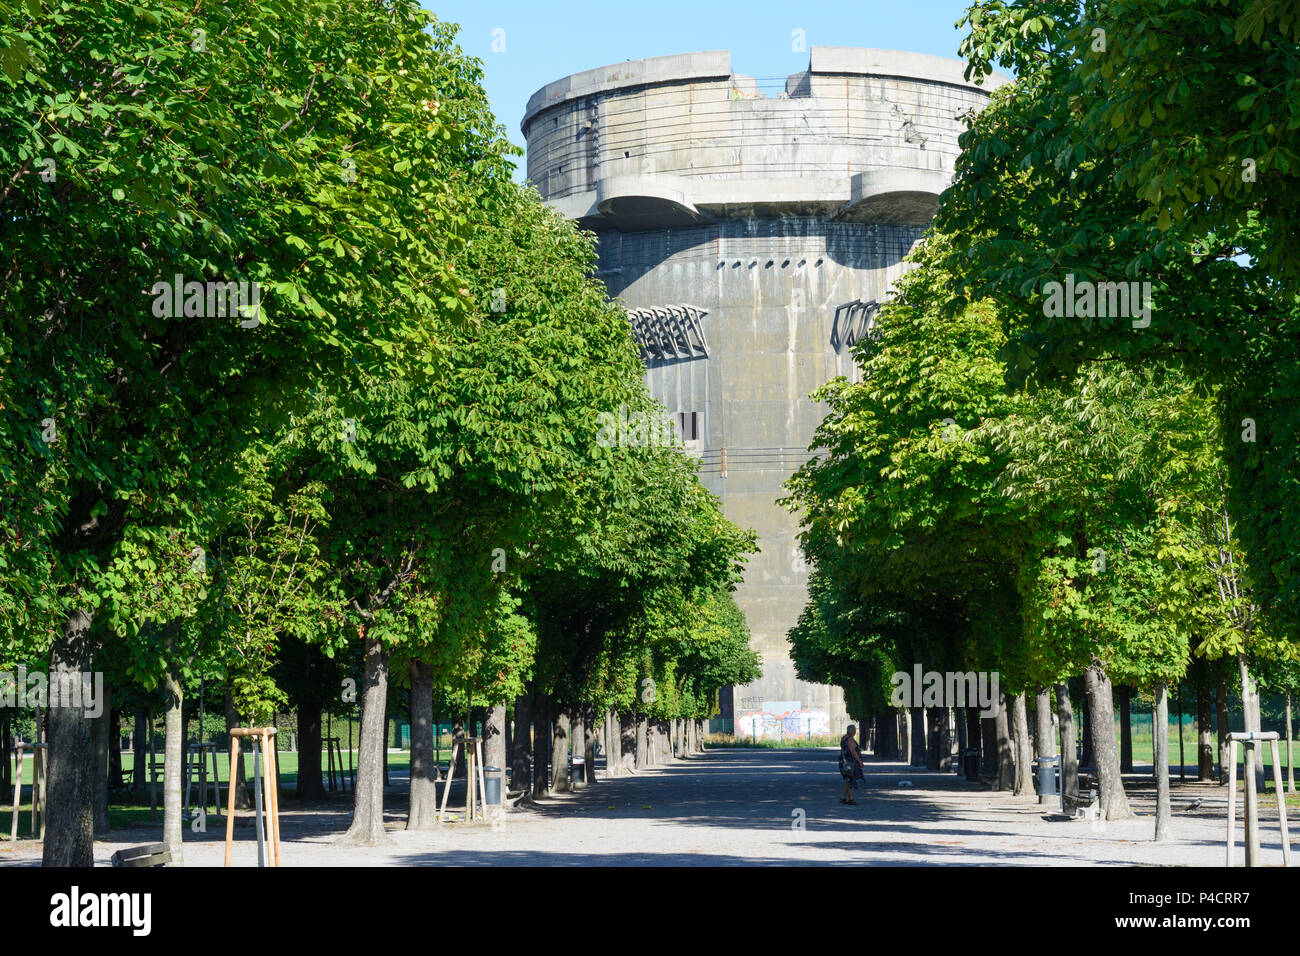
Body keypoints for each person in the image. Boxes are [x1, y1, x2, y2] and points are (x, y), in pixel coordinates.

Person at [839, 724, 865, 804]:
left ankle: (843, 797)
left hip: (843, 762)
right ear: (853, 732)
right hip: (850, 763)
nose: (855, 732)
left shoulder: (844, 738)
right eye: (855, 731)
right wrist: (860, 761)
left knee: (848, 779)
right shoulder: (850, 739)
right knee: (851, 780)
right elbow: (853, 751)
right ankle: (851, 799)